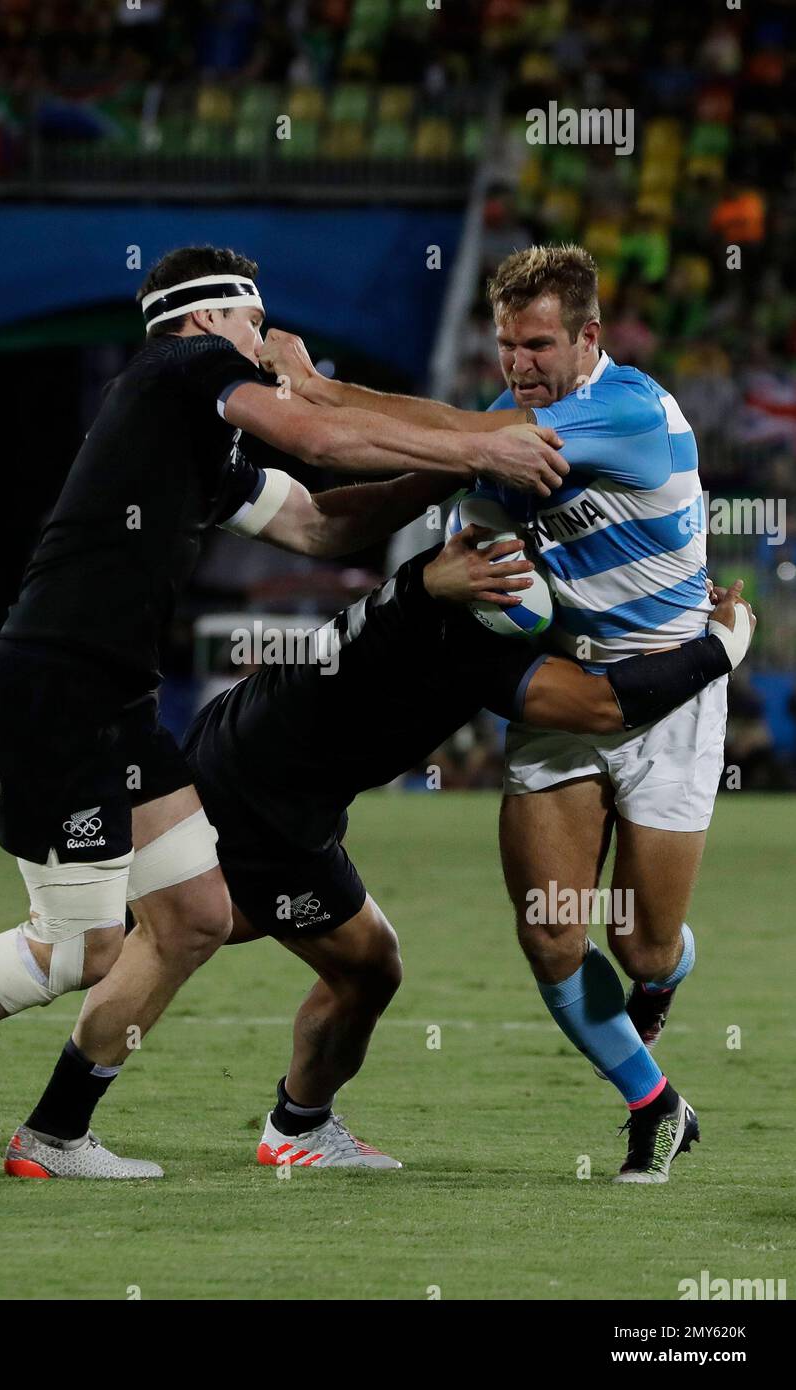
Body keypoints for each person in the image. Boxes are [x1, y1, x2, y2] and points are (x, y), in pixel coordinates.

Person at [0, 244, 568, 1180]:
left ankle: (55, 1136)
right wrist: (478, 445)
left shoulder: (196, 433)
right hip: (57, 692)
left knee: (196, 916)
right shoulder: (184, 365)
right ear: (207, 319)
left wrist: (446, 476)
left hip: (116, 698)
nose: (265, 338)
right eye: (253, 321)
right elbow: (318, 440)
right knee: (77, 948)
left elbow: (321, 523)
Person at [259, 244, 735, 1182]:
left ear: (589, 338)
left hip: (669, 696)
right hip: (564, 697)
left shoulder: (629, 411)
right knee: (552, 929)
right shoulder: (511, 425)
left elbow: (451, 432)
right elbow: (448, 462)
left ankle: (667, 971)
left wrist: (318, 390)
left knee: (639, 944)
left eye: (539, 345)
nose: (519, 364)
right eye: (507, 345)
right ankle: (655, 1107)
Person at [182, 535, 754, 1169]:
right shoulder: (473, 654)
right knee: (349, 958)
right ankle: (294, 1126)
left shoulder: (420, 585)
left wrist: (668, 594)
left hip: (240, 746)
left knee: (192, 929)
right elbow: (602, 704)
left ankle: (289, 1122)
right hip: (273, 806)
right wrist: (720, 647)